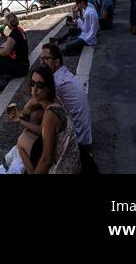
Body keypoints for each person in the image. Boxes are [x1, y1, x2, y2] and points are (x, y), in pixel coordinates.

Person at [39, 43, 98, 174]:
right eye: (40, 59)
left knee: (39, 113)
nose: (41, 62)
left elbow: (36, 102)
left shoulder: (56, 82)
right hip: (84, 133)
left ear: (56, 61)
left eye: (45, 58)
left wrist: (23, 114)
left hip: (78, 141)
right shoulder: (63, 74)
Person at [9, 65, 68, 174]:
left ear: (48, 87)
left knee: (21, 142)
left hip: (63, 166)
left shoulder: (50, 114)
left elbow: (47, 159)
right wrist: (21, 120)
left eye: (39, 85)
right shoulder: (53, 100)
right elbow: (43, 130)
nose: (34, 89)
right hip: (65, 154)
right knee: (26, 133)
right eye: (32, 83)